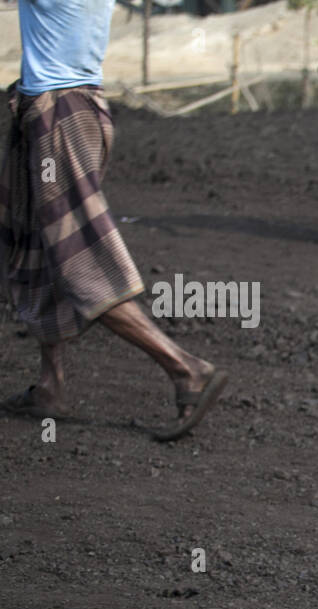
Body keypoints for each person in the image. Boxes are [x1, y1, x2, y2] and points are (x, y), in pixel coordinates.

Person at [1, 0, 227, 440]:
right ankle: (50, 384)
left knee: (79, 262)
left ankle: (185, 369)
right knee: (43, 246)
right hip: (74, 110)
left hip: (60, 118)